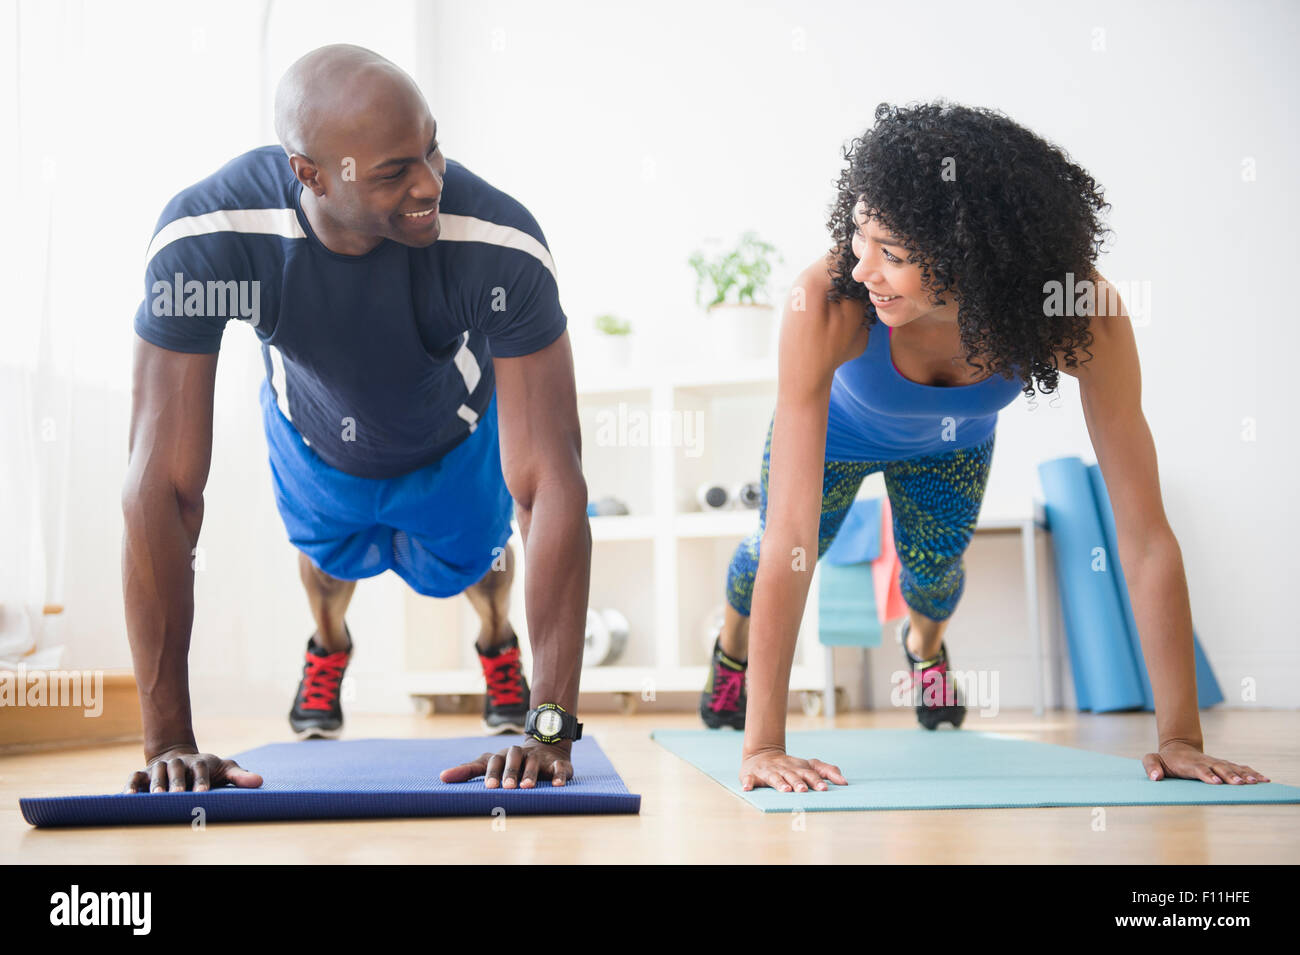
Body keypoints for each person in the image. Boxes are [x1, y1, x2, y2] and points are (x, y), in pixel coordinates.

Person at [700, 101, 1270, 794]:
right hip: (840, 438)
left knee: (934, 575)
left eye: (895, 255)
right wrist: (764, 746)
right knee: (773, 547)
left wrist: (1180, 737)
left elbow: (1145, 536)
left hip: (953, 446)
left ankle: (924, 649)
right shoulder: (827, 300)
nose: (864, 266)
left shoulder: (1075, 311)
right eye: (859, 233)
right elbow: (792, 529)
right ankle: (729, 653)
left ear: (974, 261)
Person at [121, 44, 590, 794]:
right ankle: (329, 644)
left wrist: (551, 725)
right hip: (314, 438)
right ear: (309, 173)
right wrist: (168, 741)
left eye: (432, 147)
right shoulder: (210, 238)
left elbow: (551, 484)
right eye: (393, 170)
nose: (429, 181)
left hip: (452, 440)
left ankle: (498, 643)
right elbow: (163, 488)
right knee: (328, 564)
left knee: (478, 566)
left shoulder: (496, 242)